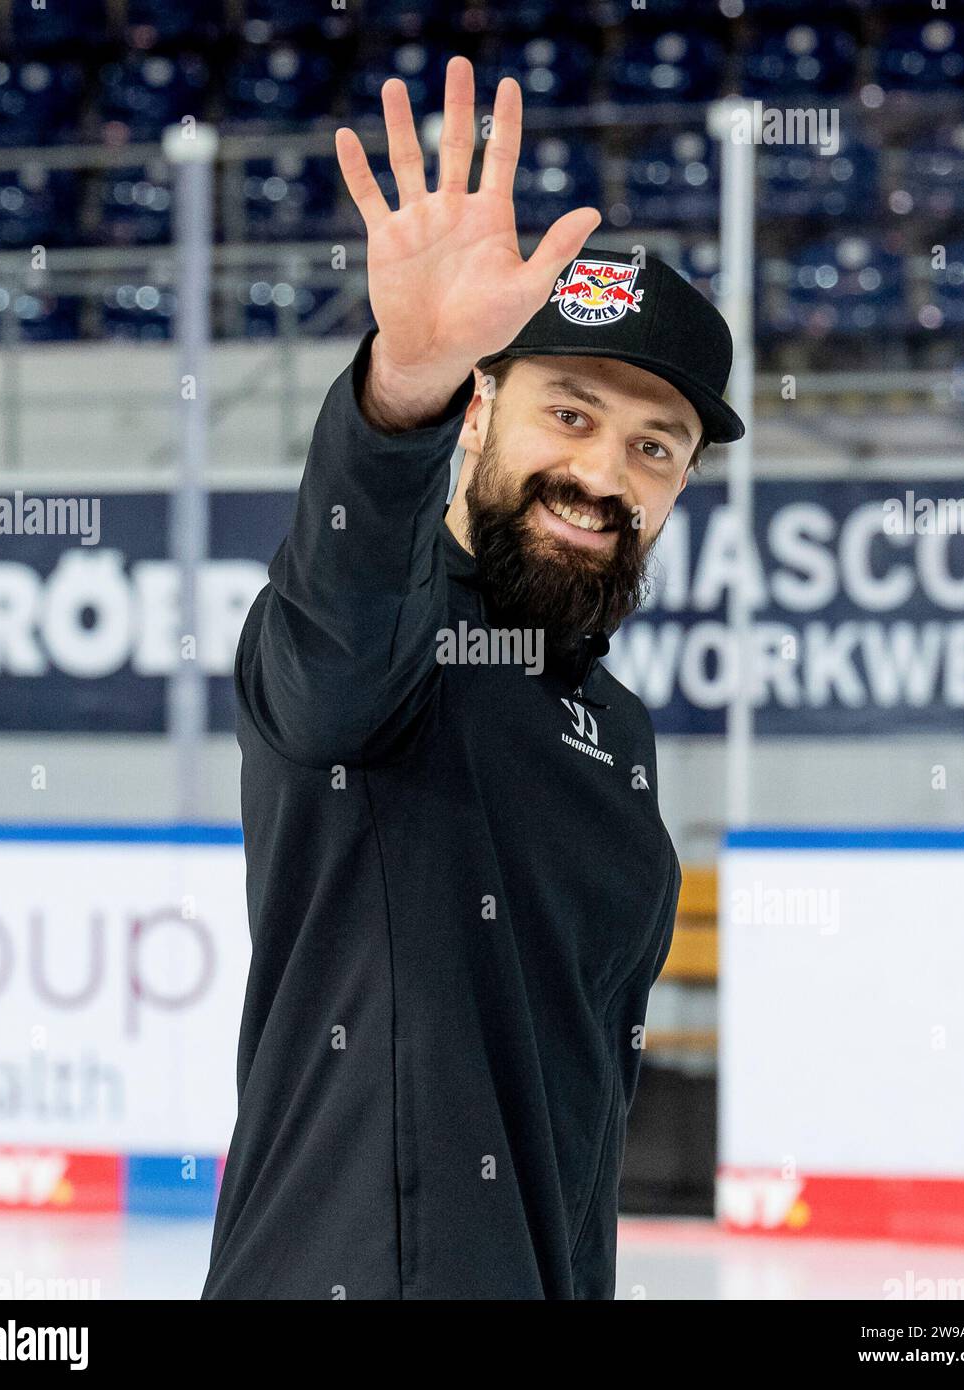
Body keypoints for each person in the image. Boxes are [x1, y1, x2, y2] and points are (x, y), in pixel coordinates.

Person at [202, 55, 744, 1301]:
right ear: (481, 409)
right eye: (569, 412)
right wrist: (400, 391)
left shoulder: (616, 724)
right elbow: (342, 623)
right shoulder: (380, 644)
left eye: (651, 447)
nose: (606, 471)